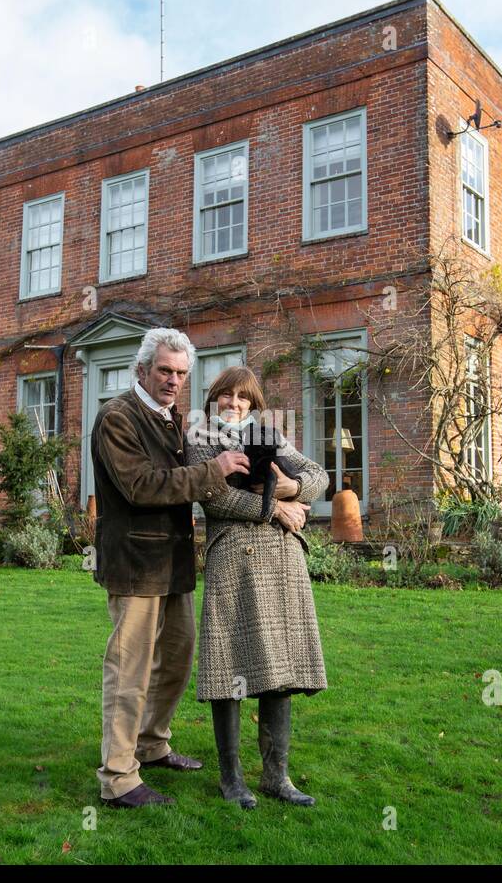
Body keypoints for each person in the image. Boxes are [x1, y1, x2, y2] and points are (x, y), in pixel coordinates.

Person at [90, 328, 251, 808]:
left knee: (176, 662)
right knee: (129, 671)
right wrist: (214, 470)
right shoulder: (117, 417)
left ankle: (151, 744)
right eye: (165, 370)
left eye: (181, 373)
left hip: (174, 563)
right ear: (142, 369)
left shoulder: (172, 419)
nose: (174, 380)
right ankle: (118, 777)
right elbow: (141, 486)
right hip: (135, 564)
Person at [185, 365, 329, 808]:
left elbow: (319, 476)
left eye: (243, 398)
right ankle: (232, 779)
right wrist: (277, 509)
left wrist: (293, 486)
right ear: (213, 400)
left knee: (279, 669)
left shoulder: (269, 435)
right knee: (228, 667)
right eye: (226, 396)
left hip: (283, 561)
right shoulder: (200, 439)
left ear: (253, 403)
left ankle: (276, 777)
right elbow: (215, 497)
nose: (235, 404)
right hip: (234, 558)